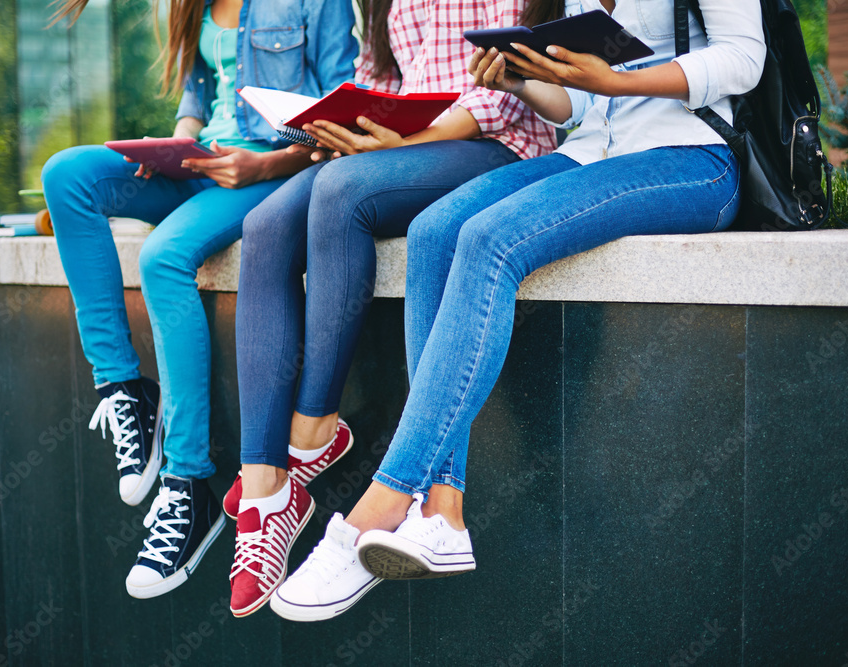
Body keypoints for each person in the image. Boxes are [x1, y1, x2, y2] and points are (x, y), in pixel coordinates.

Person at [270, 0, 767, 620]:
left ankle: (378, 508)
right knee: (434, 231)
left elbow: (745, 58)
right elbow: (578, 105)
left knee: (490, 240)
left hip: (692, 157)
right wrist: (521, 81)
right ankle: (443, 511)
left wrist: (617, 82)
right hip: (591, 151)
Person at [223, 0, 561, 618]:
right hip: (399, 146)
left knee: (342, 188)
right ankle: (266, 492)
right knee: (265, 225)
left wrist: (397, 144)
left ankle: (314, 431)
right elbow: (381, 78)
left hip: (495, 145)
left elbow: (508, 88)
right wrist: (347, 129)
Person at [41, 0, 357, 599]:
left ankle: (187, 487)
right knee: (66, 174)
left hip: (265, 174)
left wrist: (265, 163)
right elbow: (198, 97)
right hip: (200, 167)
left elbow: (341, 120)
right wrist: (171, 146)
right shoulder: (192, 5)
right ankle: (125, 389)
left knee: (162, 257)